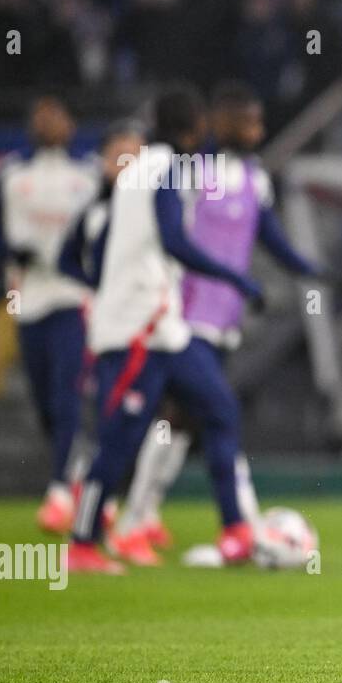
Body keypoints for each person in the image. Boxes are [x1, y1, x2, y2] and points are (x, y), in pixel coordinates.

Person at [110, 82, 319, 564]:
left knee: (176, 423)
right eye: (251, 121)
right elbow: (173, 240)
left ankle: (137, 518)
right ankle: (238, 525)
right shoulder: (189, 173)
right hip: (182, 317)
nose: (259, 130)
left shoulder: (255, 179)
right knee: (217, 413)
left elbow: (273, 242)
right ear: (224, 122)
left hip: (224, 320)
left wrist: (314, 272)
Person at [65, 87, 265, 574]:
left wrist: (109, 283)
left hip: (164, 325)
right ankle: (82, 544)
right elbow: (174, 240)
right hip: (136, 328)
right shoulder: (166, 170)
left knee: (219, 408)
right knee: (121, 437)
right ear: (194, 129)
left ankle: (236, 530)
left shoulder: (138, 171)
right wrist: (234, 276)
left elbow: (106, 239)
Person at [0, 96, 98, 532]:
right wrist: (9, 250)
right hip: (26, 298)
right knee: (44, 402)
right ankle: (77, 472)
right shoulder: (11, 173)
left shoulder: (86, 176)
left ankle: (56, 491)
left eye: (58, 115)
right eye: (42, 116)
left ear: (70, 123)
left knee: (66, 393)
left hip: (72, 297)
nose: (50, 123)